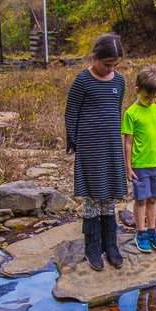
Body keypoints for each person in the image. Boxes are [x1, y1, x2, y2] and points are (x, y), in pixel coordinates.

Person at [64, 33, 127, 272]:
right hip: (90, 148)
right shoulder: (82, 81)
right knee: (92, 198)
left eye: (114, 65)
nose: (110, 68)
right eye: (107, 64)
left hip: (111, 148)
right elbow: (71, 114)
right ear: (95, 57)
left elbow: (116, 109)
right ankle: (92, 246)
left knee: (109, 197)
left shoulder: (119, 82)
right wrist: (76, 144)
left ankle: (111, 244)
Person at [122, 66, 156, 253]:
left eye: (153, 97)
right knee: (141, 200)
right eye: (146, 97)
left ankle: (152, 231)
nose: (150, 101)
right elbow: (128, 142)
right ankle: (141, 233)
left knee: (152, 199)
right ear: (137, 90)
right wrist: (128, 167)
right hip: (140, 166)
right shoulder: (131, 113)